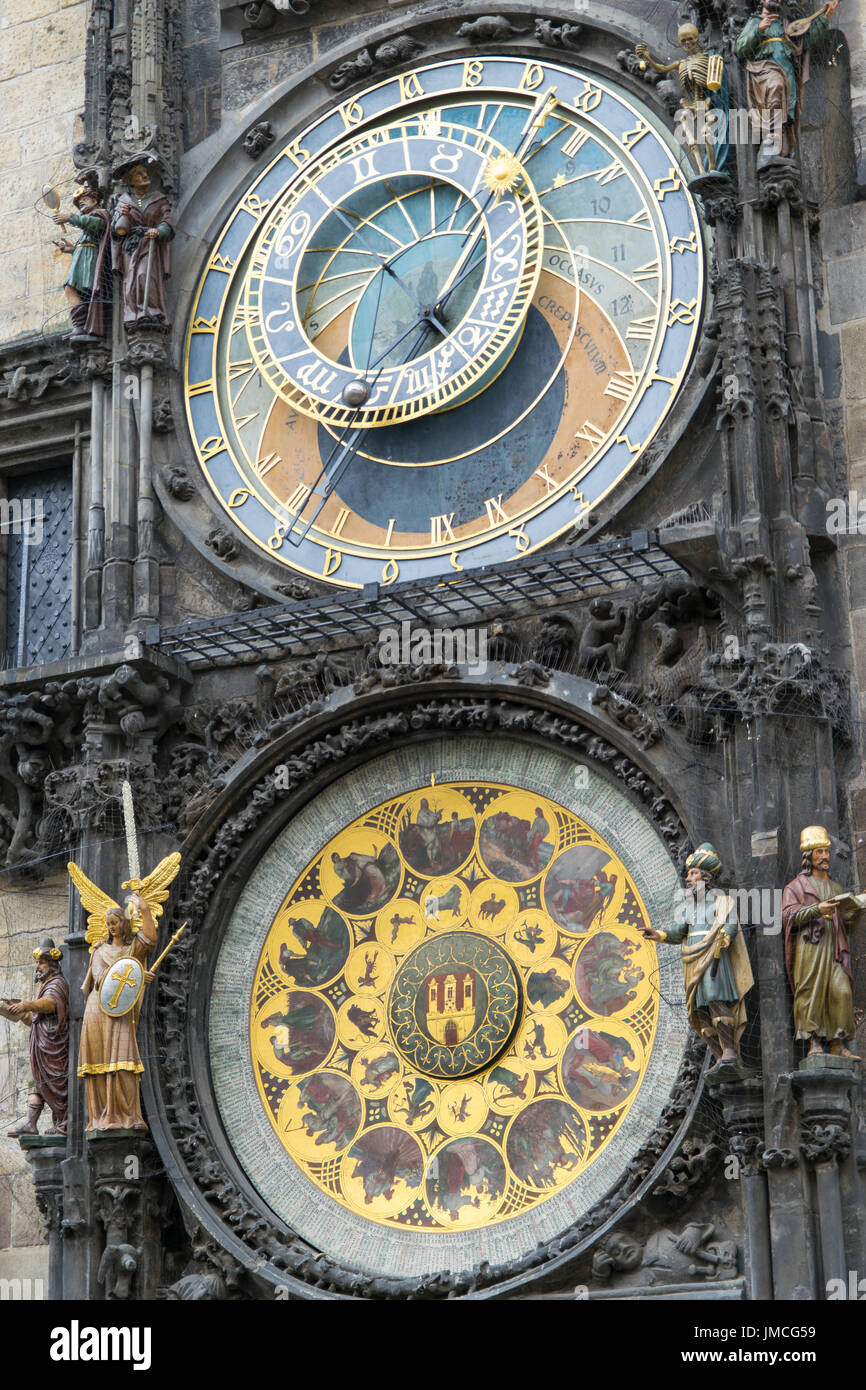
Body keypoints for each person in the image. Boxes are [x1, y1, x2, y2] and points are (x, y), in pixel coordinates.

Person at [642, 843, 753, 1072]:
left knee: (715, 999)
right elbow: (679, 930)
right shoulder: (690, 908)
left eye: (693, 873)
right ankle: (718, 1054)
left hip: (714, 956)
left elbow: (730, 922)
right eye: (689, 874)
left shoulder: (720, 902)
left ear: (706, 877)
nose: (688, 879)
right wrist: (660, 934)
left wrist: (726, 937)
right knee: (699, 1009)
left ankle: (730, 1050)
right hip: (694, 961)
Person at [781, 826, 862, 1059]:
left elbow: (846, 926)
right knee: (811, 992)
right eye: (819, 852)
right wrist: (817, 909)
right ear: (808, 856)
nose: (825, 856)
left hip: (834, 947)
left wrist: (857, 911)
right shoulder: (795, 887)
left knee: (842, 991)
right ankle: (814, 1041)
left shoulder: (836, 888)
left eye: (826, 851)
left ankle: (837, 1043)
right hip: (810, 949)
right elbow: (788, 917)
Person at [78, 893, 156, 1130]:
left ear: (125, 923)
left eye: (116, 922)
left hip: (121, 1011)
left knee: (124, 1058)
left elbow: (150, 940)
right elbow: (102, 979)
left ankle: (127, 1115)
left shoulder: (133, 948)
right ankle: (101, 1116)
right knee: (99, 1062)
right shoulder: (99, 950)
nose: (112, 927)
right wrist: (139, 975)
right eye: (109, 923)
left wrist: (143, 909)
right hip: (97, 1008)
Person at [736, 0, 838, 167]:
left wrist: (826, 16)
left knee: (788, 115)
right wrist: (759, 30)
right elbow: (740, 49)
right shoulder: (755, 22)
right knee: (776, 86)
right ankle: (768, 148)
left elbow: (806, 41)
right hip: (765, 71)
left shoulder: (786, 25)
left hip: (788, 73)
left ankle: (782, 155)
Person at [636, 24, 729, 176]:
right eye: (683, 41)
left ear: (697, 38)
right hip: (691, 104)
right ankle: (700, 170)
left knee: (706, 131)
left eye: (690, 39)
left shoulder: (709, 57)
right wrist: (647, 56)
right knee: (687, 125)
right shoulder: (681, 63)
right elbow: (660, 69)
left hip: (708, 103)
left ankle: (712, 167)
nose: (687, 44)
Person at [4, 937, 69, 1136]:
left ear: (52, 964)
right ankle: (31, 1123)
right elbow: (31, 1019)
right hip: (41, 1049)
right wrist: (6, 1008)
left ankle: (65, 1122)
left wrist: (27, 1004)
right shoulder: (44, 986)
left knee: (56, 1084)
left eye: (41, 962)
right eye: (37, 963)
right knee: (36, 1083)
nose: (37, 967)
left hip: (54, 1049)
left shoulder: (57, 983)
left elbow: (50, 1004)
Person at [111, 154, 174, 325]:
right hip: (130, 247)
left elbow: (167, 222)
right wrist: (121, 216)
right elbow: (117, 231)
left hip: (149, 243)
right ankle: (134, 312)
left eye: (145, 172)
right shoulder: (123, 202)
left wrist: (158, 231)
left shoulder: (158, 199)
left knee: (144, 275)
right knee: (131, 279)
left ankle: (151, 309)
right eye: (139, 174)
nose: (145, 176)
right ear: (130, 181)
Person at [52, 176, 111, 338]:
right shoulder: (87, 221)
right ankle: (81, 325)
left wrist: (69, 217)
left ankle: (81, 325)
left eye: (84, 199)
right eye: (79, 203)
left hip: (90, 262)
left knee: (72, 289)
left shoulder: (101, 214)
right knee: (73, 290)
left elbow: (96, 226)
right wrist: (70, 248)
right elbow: (86, 242)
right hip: (83, 259)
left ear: (95, 200)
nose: (81, 204)